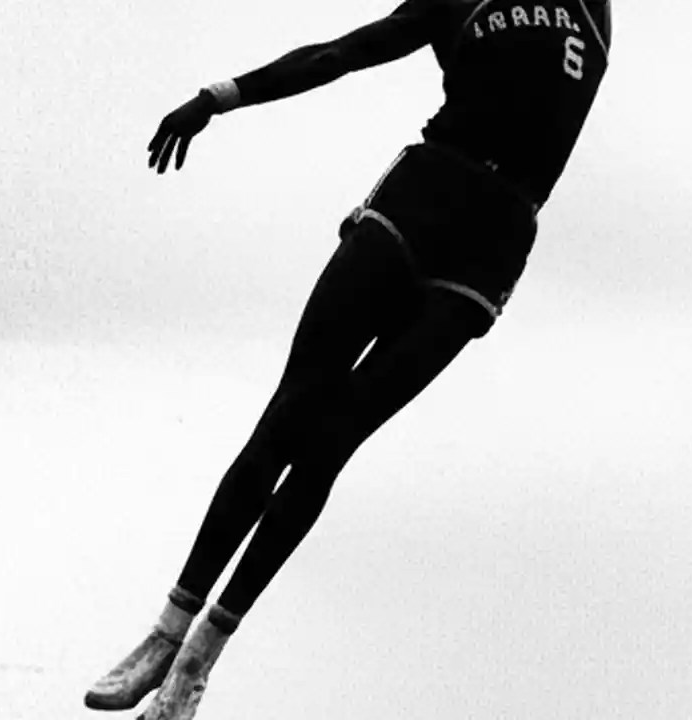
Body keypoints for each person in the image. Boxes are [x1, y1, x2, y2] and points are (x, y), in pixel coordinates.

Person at [84, 1, 611, 718]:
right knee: (291, 413)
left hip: (494, 238)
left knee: (332, 441)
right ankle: (163, 634)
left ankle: (199, 658)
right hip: (422, 196)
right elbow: (342, 53)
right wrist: (219, 97)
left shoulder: (594, 4)